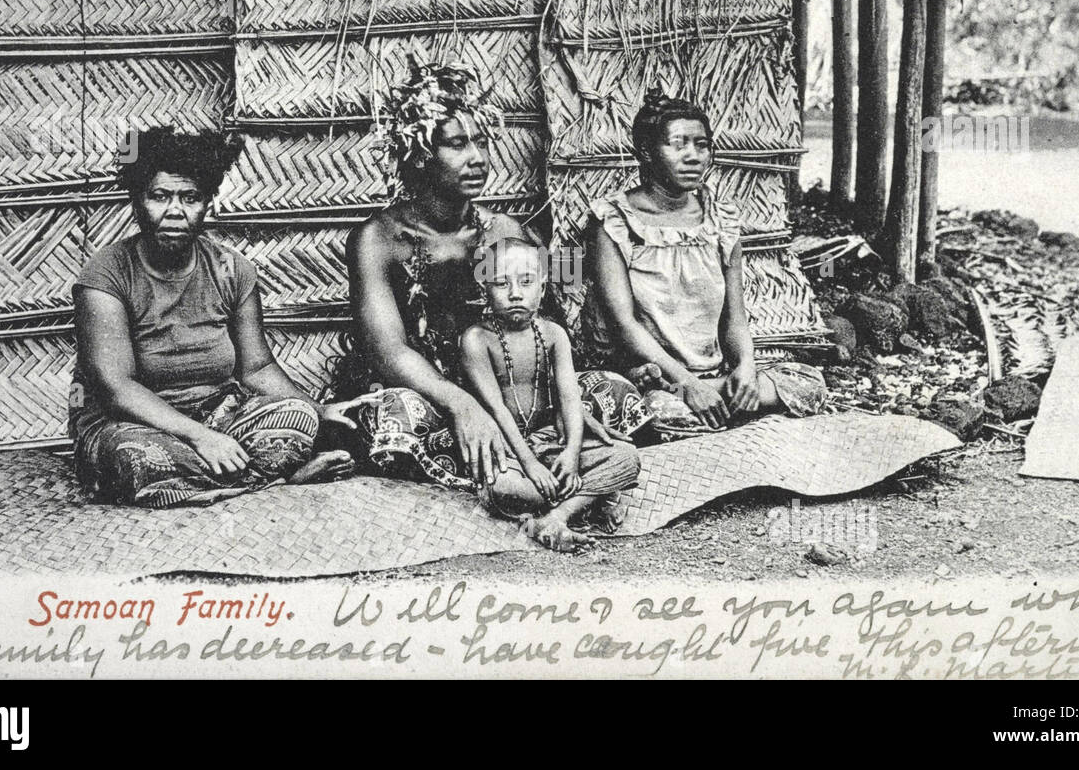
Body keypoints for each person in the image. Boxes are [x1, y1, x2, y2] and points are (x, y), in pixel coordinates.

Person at [345, 61, 650, 502]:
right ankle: (525, 471)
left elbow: (553, 314)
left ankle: (530, 464)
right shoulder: (376, 240)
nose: (478, 157)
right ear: (419, 155)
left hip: (516, 387)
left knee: (614, 392)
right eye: (457, 144)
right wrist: (461, 404)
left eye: (482, 142)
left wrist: (569, 408)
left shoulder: (511, 231)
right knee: (398, 419)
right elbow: (387, 350)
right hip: (435, 393)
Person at [69, 127, 377, 508]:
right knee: (134, 457)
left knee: (296, 420)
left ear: (208, 203)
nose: (175, 211)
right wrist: (201, 438)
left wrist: (317, 409)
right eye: (160, 196)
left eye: (191, 198)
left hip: (219, 412)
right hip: (132, 423)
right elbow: (117, 387)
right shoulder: (106, 274)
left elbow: (257, 368)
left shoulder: (233, 270)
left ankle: (208, 483)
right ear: (137, 201)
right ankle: (274, 482)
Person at [583, 91, 827, 437]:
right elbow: (625, 325)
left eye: (702, 145)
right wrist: (685, 382)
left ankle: (713, 410)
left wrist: (745, 367)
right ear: (646, 152)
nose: (693, 157)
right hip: (654, 381)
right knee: (639, 406)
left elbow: (735, 317)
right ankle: (711, 414)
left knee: (807, 383)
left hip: (717, 377)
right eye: (678, 145)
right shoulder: (613, 222)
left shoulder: (720, 218)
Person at [460, 238, 640, 551]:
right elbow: (497, 409)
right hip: (508, 449)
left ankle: (555, 517)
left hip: (548, 441)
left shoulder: (554, 334)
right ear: (484, 290)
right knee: (503, 487)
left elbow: (570, 398)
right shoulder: (476, 340)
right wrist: (530, 464)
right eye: (501, 283)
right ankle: (589, 498)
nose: (515, 293)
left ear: (543, 288)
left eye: (527, 282)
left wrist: (571, 452)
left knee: (627, 458)